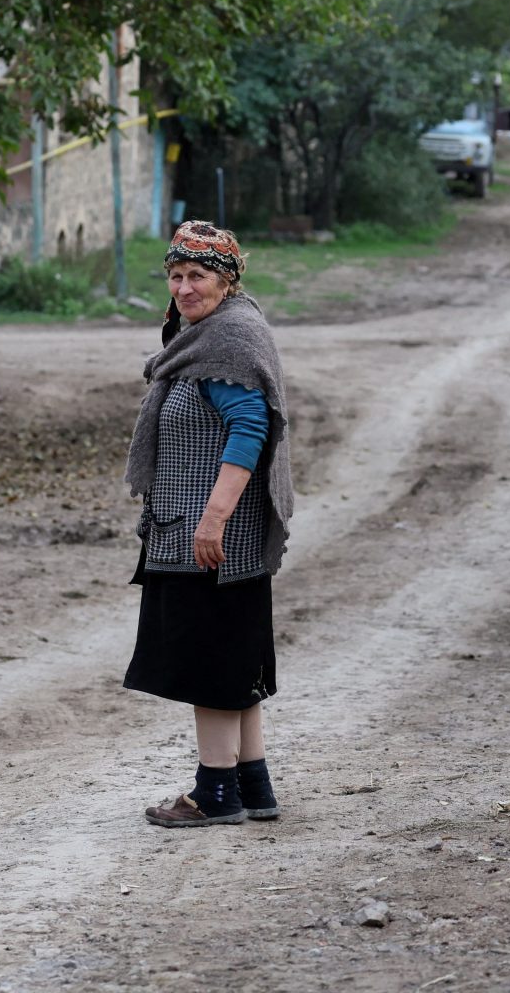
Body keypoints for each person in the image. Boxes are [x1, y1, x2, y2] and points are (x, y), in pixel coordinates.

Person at [123, 221, 295, 828]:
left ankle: (214, 793)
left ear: (226, 280)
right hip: (218, 535)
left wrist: (213, 518)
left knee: (210, 665)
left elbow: (251, 428)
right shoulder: (215, 332)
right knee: (232, 657)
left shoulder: (226, 341)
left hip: (212, 535)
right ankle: (253, 785)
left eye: (198, 276)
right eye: (176, 276)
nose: (185, 287)